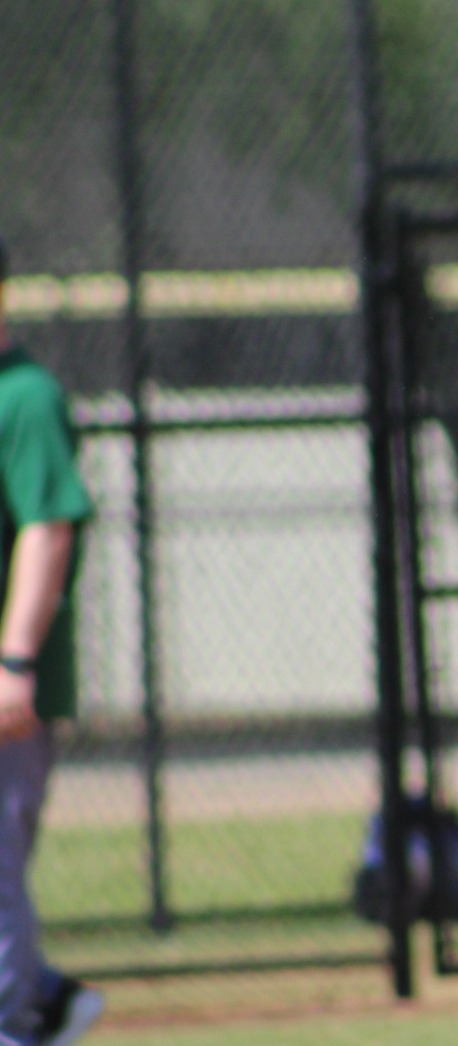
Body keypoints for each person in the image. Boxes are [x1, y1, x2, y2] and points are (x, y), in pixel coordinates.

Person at [0, 233, 104, 1046]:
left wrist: (15, 664)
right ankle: (44, 1001)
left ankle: (23, 1017)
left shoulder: (24, 396)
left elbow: (48, 527)